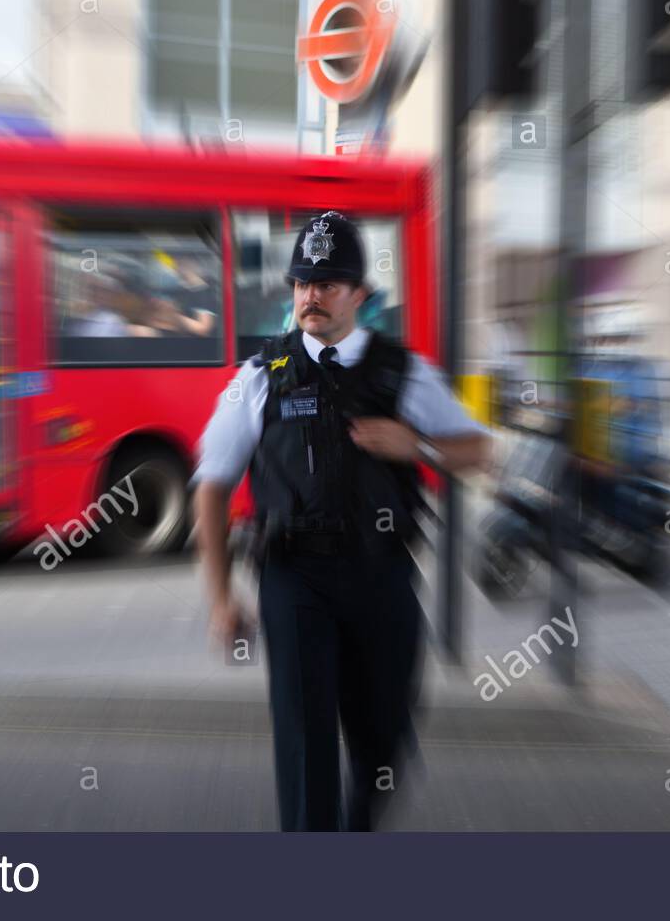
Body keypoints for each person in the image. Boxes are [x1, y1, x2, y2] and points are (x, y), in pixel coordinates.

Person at [191, 211, 490, 831]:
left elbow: (478, 449)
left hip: (381, 578)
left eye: (327, 284)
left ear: (359, 294)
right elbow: (212, 486)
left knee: (387, 737)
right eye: (302, 282)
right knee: (306, 745)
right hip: (294, 578)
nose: (311, 296)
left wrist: (418, 446)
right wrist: (221, 598)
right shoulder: (260, 378)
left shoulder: (402, 372)